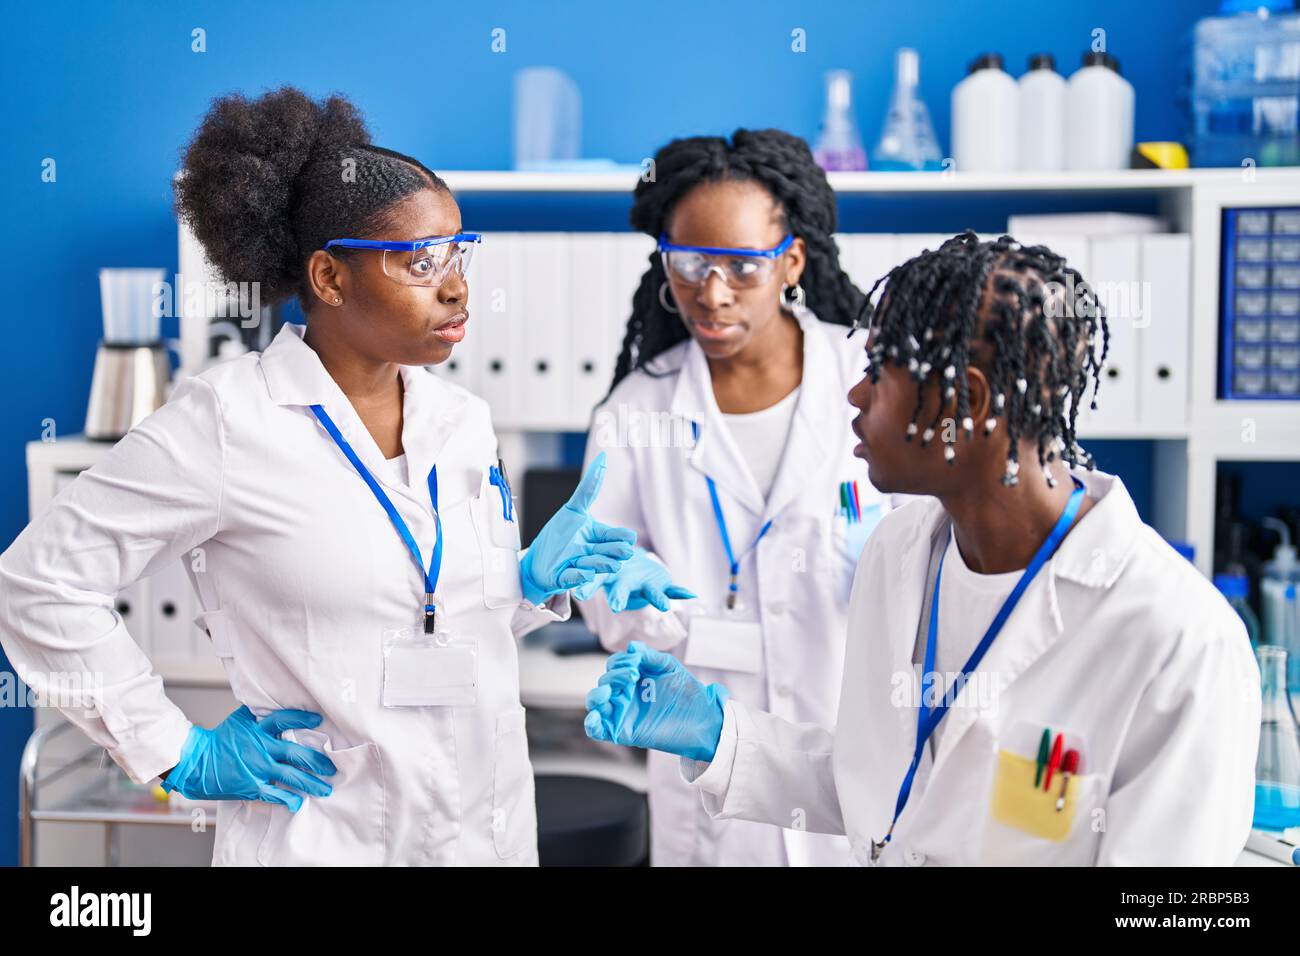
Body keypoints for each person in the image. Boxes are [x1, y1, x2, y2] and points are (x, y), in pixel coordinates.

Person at [0, 87, 667, 866]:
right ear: (329, 277)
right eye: (420, 261)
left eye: (459, 252)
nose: (455, 285)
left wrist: (523, 584)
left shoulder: (461, 420)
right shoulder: (227, 421)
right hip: (324, 839)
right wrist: (175, 749)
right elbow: (35, 584)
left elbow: (428, 616)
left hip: (487, 837)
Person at [585, 232, 1262, 866]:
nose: (854, 394)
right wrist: (716, 733)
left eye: (879, 372)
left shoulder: (1179, 641)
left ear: (965, 401)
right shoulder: (899, 551)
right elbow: (885, 792)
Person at [575, 130, 889, 866]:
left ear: (792, 261)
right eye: (689, 263)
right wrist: (657, 613)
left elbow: (932, 552)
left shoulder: (870, 377)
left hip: (854, 747)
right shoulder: (637, 409)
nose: (712, 293)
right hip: (710, 777)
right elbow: (597, 582)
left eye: (743, 267)